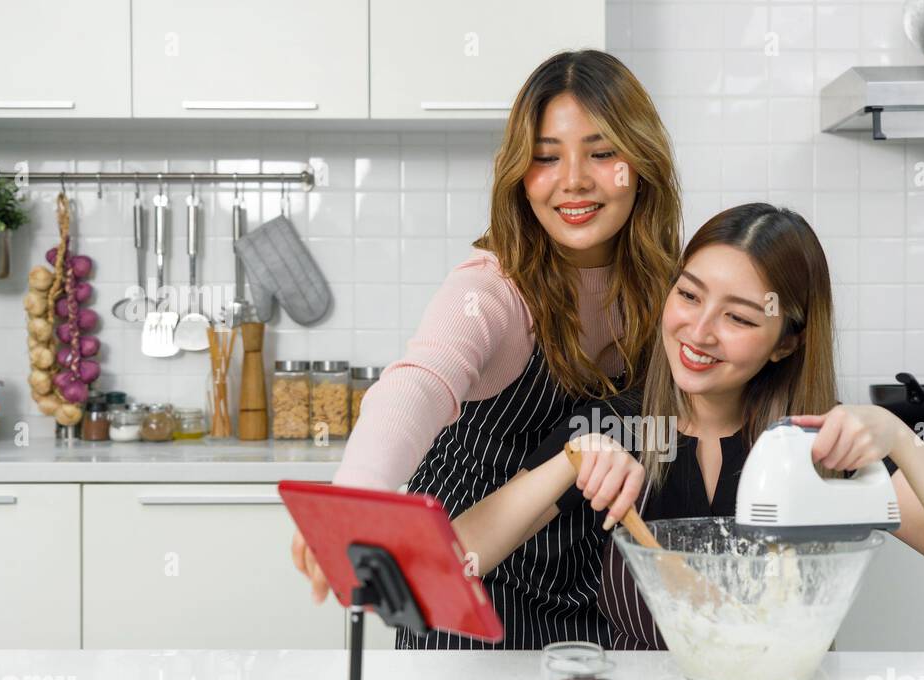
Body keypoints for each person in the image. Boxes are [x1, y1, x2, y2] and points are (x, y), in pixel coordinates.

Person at [449, 203, 924, 648]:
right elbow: (457, 558)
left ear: (786, 341)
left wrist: (899, 438)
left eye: (739, 317)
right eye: (689, 295)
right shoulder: (617, 424)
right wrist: (570, 462)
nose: (699, 331)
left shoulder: (818, 447)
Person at [290, 50, 682, 648]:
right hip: (465, 583)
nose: (573, 179)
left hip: (590, 590)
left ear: (642, 162)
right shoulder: (493, 287)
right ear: (520, 175)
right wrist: (357, 497)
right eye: (546, 158)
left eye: (603, 154)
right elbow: (419, 382)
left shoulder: (669, 293)